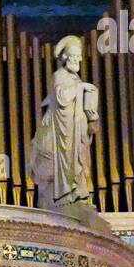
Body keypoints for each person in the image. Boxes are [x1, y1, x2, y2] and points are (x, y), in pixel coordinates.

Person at [30, 34, 101, 225]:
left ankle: (76, 195)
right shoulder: (59, 76)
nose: (77, 59)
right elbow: (61, 98)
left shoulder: (76, 79)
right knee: (58, 160)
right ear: (65, 57)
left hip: (76, 132)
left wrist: (91, 118)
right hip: (62, 132)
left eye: (78, 56)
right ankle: (62, 196)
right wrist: (81, 88)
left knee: (79, 162)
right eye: (73, 56)